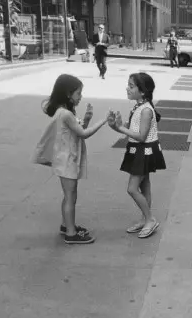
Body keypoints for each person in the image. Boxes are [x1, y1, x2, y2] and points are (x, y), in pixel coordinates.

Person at [33, 74, 109, 244]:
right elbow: (84, 134)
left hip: (67, 158)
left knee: (70, 195)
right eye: (78, 93)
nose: (80, 97)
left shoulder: (66, 112)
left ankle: (66, 225)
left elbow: (78, 130)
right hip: (66, 160)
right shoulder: (65, 114)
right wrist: (103, 120)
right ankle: (71, 233)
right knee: (70, 196)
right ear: (68, 94)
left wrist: (87, 118)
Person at [108, 73, 166, 239]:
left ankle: (149, 219)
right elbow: (129, 130)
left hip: (144, 151)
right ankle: (144, 218)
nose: (127, 88)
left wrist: (120, 127)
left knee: (132, 188)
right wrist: (116, 126)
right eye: (128, 84)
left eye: (131, 86)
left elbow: (141, 136)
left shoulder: (146, 110)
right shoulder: (139, 107)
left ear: (142, 92)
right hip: (139, 150)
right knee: (144, 185)